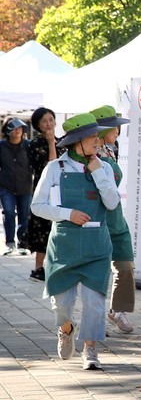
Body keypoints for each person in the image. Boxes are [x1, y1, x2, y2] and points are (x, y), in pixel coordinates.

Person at [31, 113, 119, 370]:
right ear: (78, 141)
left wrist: (99, 174)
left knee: (94, 302)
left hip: (96, 246)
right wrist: (67, 214)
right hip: (64, 246)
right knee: (62, 304)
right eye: (92, 137)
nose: (97, 140)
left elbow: (112, 203)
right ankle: (66, 328)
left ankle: (90, 349)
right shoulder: (55, 168)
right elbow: (37, 206)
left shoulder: (103, 166)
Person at [89, 105, 137, 335]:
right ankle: (96, 316)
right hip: (97, 218)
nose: (117, 131)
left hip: (116, 217)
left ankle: (118, 310)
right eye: (114, 127)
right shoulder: (89, 154)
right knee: (99, 271)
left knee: (125, 265)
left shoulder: (111, 150)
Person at [26, 107, 61, 282]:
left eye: (51, 119)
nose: (49, 124)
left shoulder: (62, 141)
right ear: (38, 125)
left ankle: (55, 266)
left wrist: (55, 142)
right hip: (43, 191)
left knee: (57, 227)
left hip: (60, 192)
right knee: (42, 229)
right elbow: (50, 167)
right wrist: (50, 144)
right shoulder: (34, 144)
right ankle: (38, 268)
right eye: (44, 121)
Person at [0, 117, 34, 254]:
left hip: (25, 187)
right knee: (8, 213)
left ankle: (23, 244)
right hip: (5, 187)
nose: (17, 130)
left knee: (24, 215)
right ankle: (9, 243)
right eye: (13, 128)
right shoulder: (1, 146)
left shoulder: (28, 145)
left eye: (19, 128)